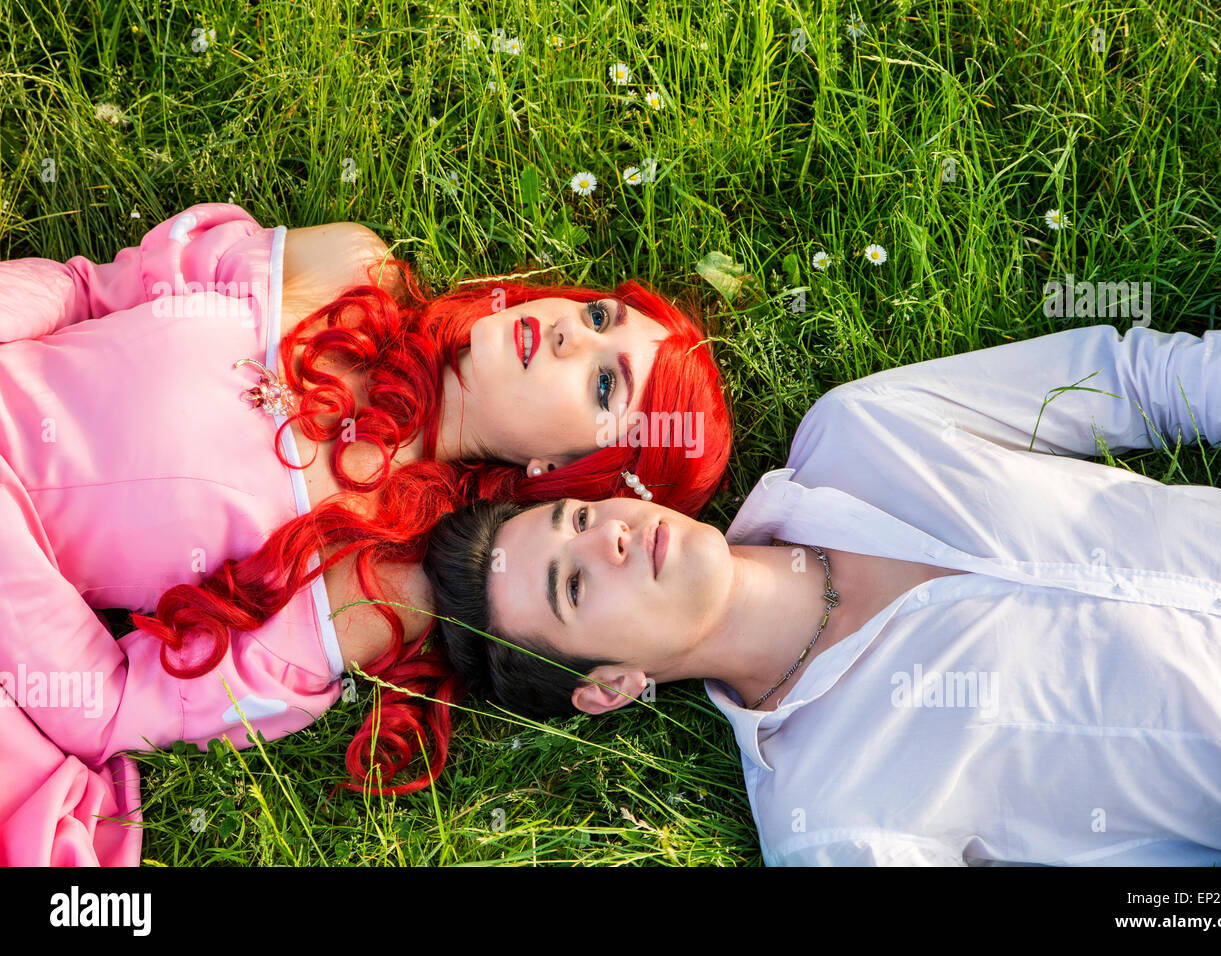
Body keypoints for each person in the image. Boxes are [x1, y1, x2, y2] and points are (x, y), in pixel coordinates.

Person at [0, 202, 731, 864]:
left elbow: (112, 704)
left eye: (606, 386)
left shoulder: (371, 578)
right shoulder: (351, 269)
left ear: (562, 473)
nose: (575, 332)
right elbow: (86, 289)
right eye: (601, 317)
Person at [427, 322, 1221, 866]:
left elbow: (1127, 380)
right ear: (612, 686)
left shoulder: (859, 433)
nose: (609, 538)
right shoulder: (832, 820)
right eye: (574, 584)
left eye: (579, 517)